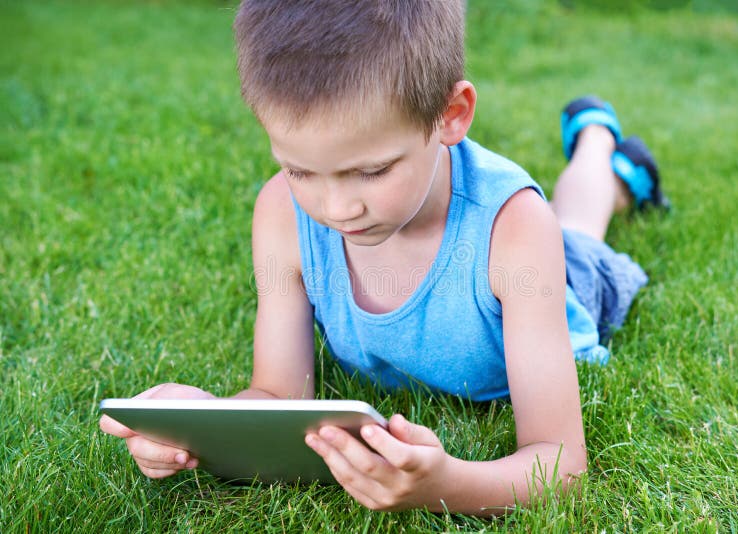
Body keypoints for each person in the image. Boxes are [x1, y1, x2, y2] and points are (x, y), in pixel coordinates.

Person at [99, 0, 668, 516]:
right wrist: (201, 420)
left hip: (554, 274)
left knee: (578, 233)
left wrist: (447, 483)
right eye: (300, 170)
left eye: (370, 171)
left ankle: (601, 149)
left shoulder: (514, 233)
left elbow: (561, 467)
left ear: (450, 115)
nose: (337, 208)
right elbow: (276, 394)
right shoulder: (282, 215)